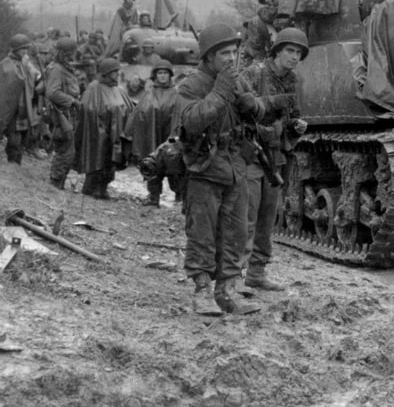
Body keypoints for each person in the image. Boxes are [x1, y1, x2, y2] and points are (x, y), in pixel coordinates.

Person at [173, 23, 266, 316]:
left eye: (233, 52)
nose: (230, 58)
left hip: (236, 165)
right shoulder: (192, 84)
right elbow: (193, 121)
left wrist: (253, 105)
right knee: (202, 232)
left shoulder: (236, 81)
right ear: (209, 56)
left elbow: (259, 112)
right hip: (204, 167)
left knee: (235, 232)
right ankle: (202, 291)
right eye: (223, 53)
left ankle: (227, 291)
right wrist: (222, 89)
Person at [241, 27, 310, 292]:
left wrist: (296, 126)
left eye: (298, 53)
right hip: (252, 154)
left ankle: (257, 272)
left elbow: (292, 115)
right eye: (290, 51)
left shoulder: (292, 81)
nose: (294, 57)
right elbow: (241, 110)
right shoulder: (254, 73)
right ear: (277, 51)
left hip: (276, 157)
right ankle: (236, 274)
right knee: (246, 216)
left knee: (267, 218)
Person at [75, 58, 134, 199]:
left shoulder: (118, 90)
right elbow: (88, 109)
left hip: (115, 134)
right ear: (106, 73)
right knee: (97, 163)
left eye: (117, 72)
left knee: (110, 164)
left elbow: (128, 108)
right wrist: (102, 127)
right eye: (114, 72)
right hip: (99, 133)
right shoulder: (94, 88)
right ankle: (89, 189)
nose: (117, 75)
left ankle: (102, 189)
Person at [128, 58, 183, 207]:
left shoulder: (177, 93)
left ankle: (179, 196)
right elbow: (140, 113)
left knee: (175, 165)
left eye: (165, 73)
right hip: (152, 135)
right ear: (155, 75)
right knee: (153, 164)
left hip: (170, 136)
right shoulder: (150, 93)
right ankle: (153, 197)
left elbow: (180, 114)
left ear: (170, 75)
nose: (163, 76)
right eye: (160, 73)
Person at [44, 37, 82, 189]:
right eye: (70, 54)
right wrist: (72, 101)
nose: (73, 57)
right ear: (64, 54)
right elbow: (52, 93)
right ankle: (55, 182)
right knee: (65, 150)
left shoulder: (63, 67)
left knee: (68, 150)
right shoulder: (57, 69)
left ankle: (58, 182)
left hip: (67, 114)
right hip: (60, 114)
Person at [1, 34, 38, 165]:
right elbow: (11, 85)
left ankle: (17, 162)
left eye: (26, 49)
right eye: (23, 49)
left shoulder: (22, 63)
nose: (25, 52)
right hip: (12, 108)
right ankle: (13, 162)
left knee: (22, 136)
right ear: (15, 49)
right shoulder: (7, 64)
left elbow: (29, 80)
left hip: (22, 106)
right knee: (14, 137)